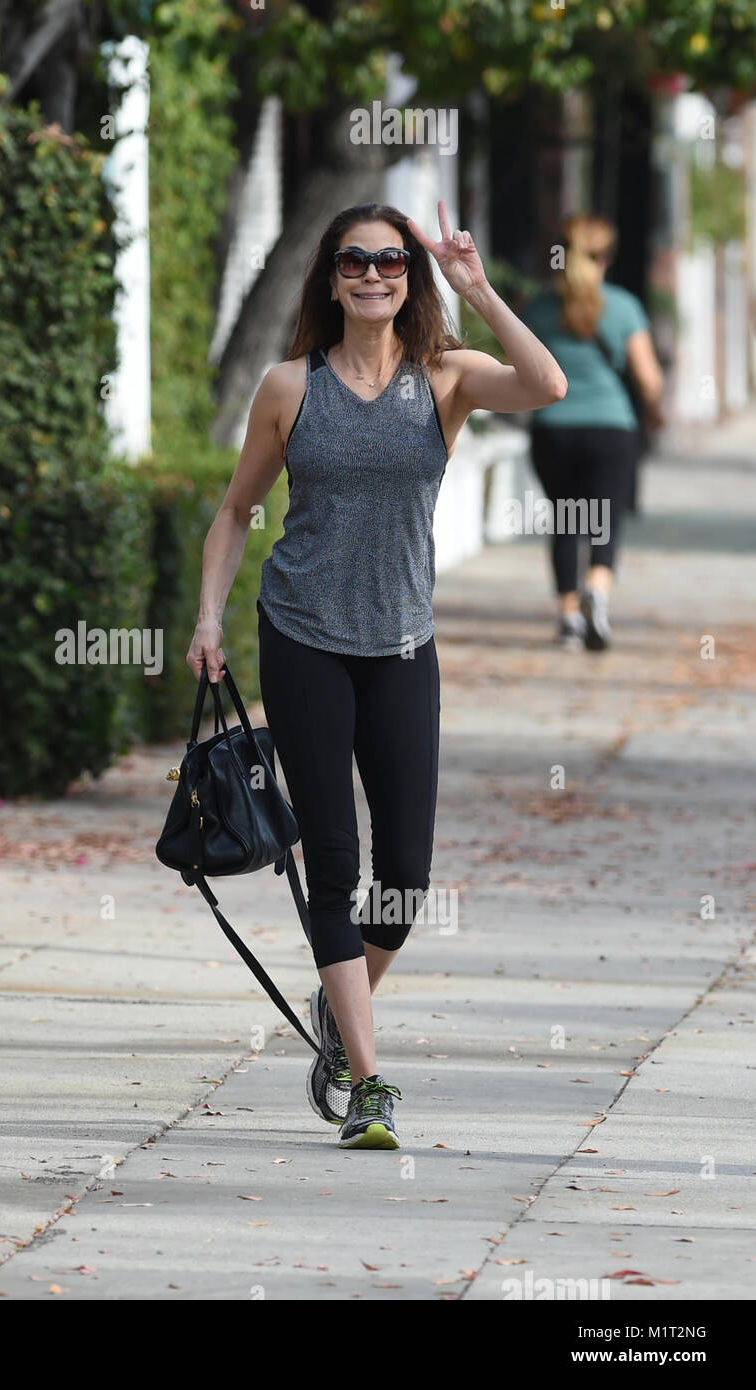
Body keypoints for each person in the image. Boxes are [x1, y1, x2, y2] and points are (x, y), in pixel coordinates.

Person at [187, 199, 567, 1149]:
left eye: (390, 263)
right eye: (352, 262)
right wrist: (206, 617)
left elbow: (548, 383)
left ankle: (337, 1000)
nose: (370, 276)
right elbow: (236, 512)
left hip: (402, 644)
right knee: (333, 862)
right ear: (329, 278)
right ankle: (368, 1080)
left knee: (403, 874)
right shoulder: (288, 387)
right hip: (303, 638)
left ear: (410, 276)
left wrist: (476, 288)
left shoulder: (446, 378)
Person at [523, 213, 665, 650]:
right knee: (604, 519)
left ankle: (568, 619)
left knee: (566, 520)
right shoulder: (623, 307)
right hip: (611, 429)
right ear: (605, 257)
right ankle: (597, 593)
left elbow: (524, 370)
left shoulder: (540, 308)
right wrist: (656, 413)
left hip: (553, 428)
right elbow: (650, 380)